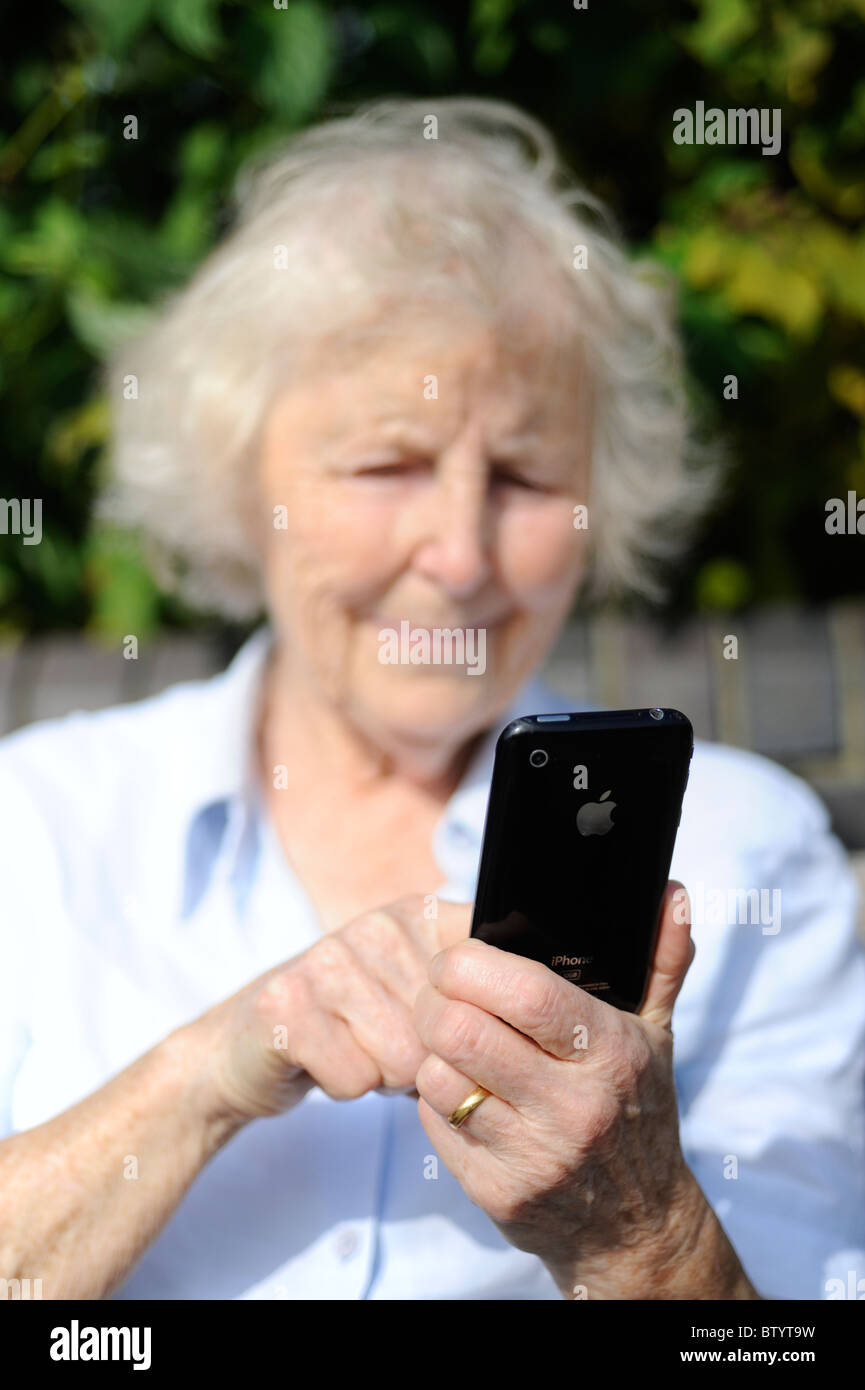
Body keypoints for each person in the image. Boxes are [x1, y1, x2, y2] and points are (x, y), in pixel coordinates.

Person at [1, 98, 863, 1301]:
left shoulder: (741, 852)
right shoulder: (33, 824)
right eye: (387, 464)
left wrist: (639, 1234)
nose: (459, 553)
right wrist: (205, 1073)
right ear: (240, 481)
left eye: (522, 474)